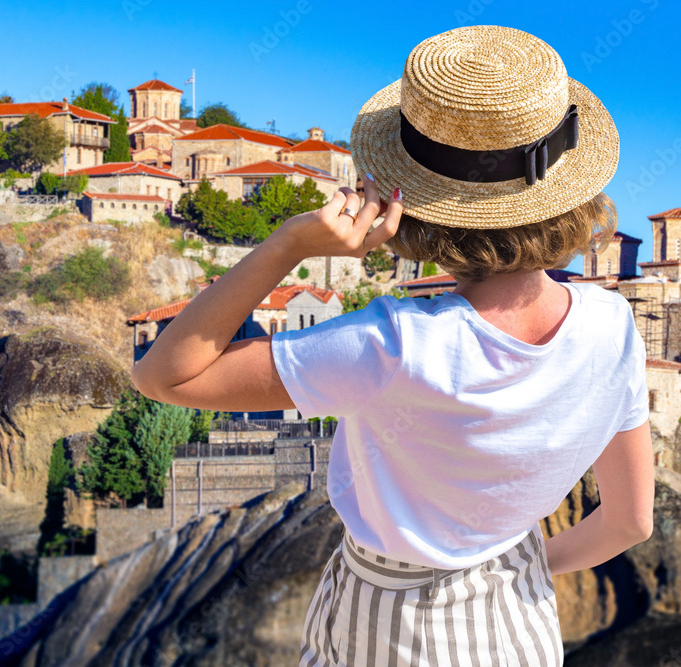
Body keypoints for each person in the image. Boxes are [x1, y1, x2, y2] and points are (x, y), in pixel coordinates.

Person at [132, 24, 654, 667]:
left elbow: (164, 376)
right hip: (522, 616)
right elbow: (631, 523)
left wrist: (287, 245)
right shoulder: (612, 323)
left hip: (391, 628)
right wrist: (508, 575)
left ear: (414, 205)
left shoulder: (393, 344)